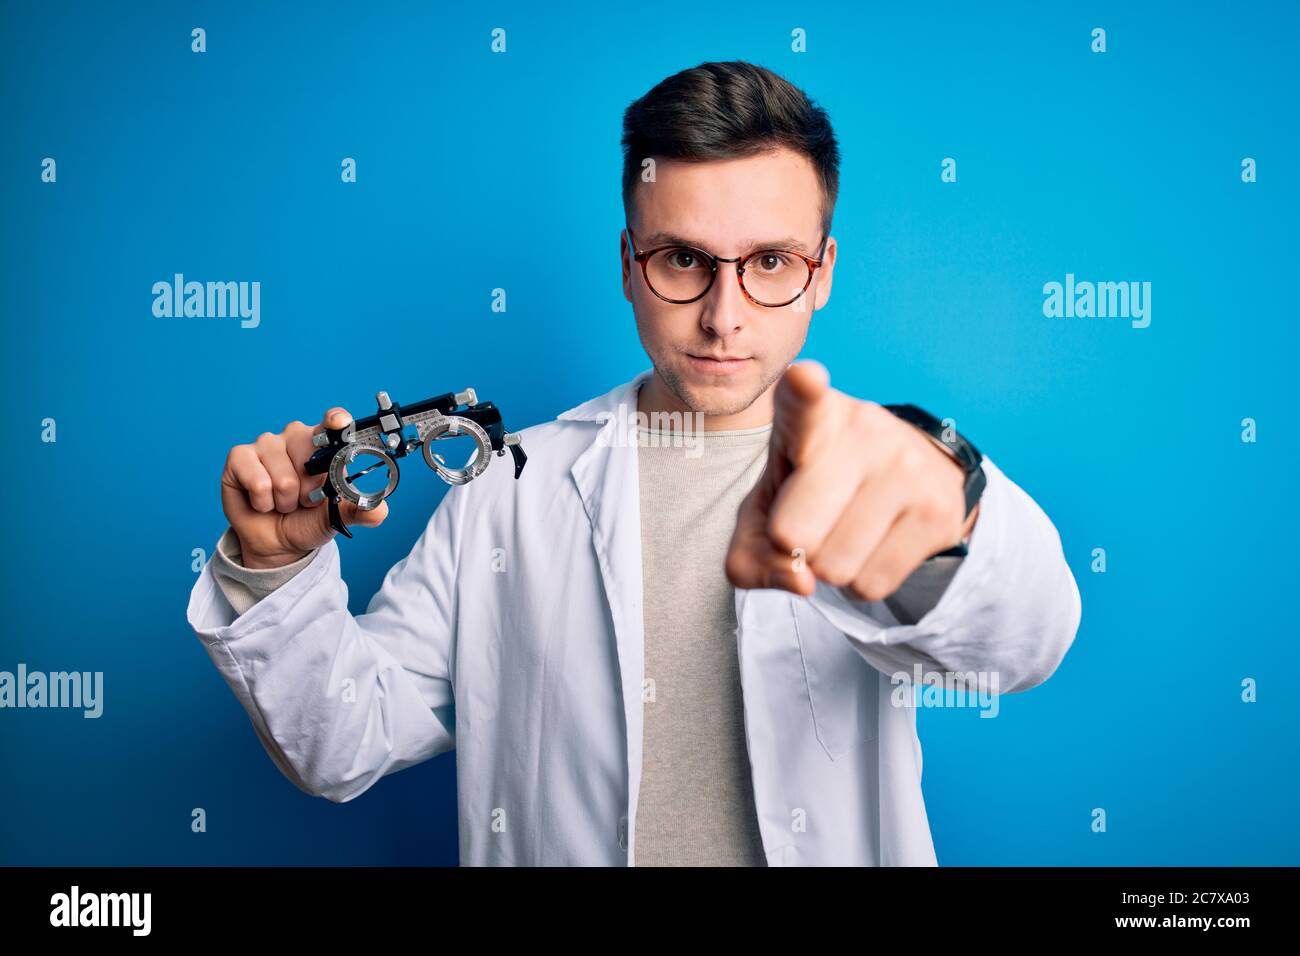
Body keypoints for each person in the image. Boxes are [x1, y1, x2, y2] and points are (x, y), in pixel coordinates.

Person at [186, 60, 1080, 866]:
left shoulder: (878, 473)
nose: (724, 315)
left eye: (771, 261)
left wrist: (955, 512)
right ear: (627, 263)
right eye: (683, 259)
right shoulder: (507, 492)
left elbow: (1022, 642)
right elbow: (340, 743)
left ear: (823, 272)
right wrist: (276, 571)